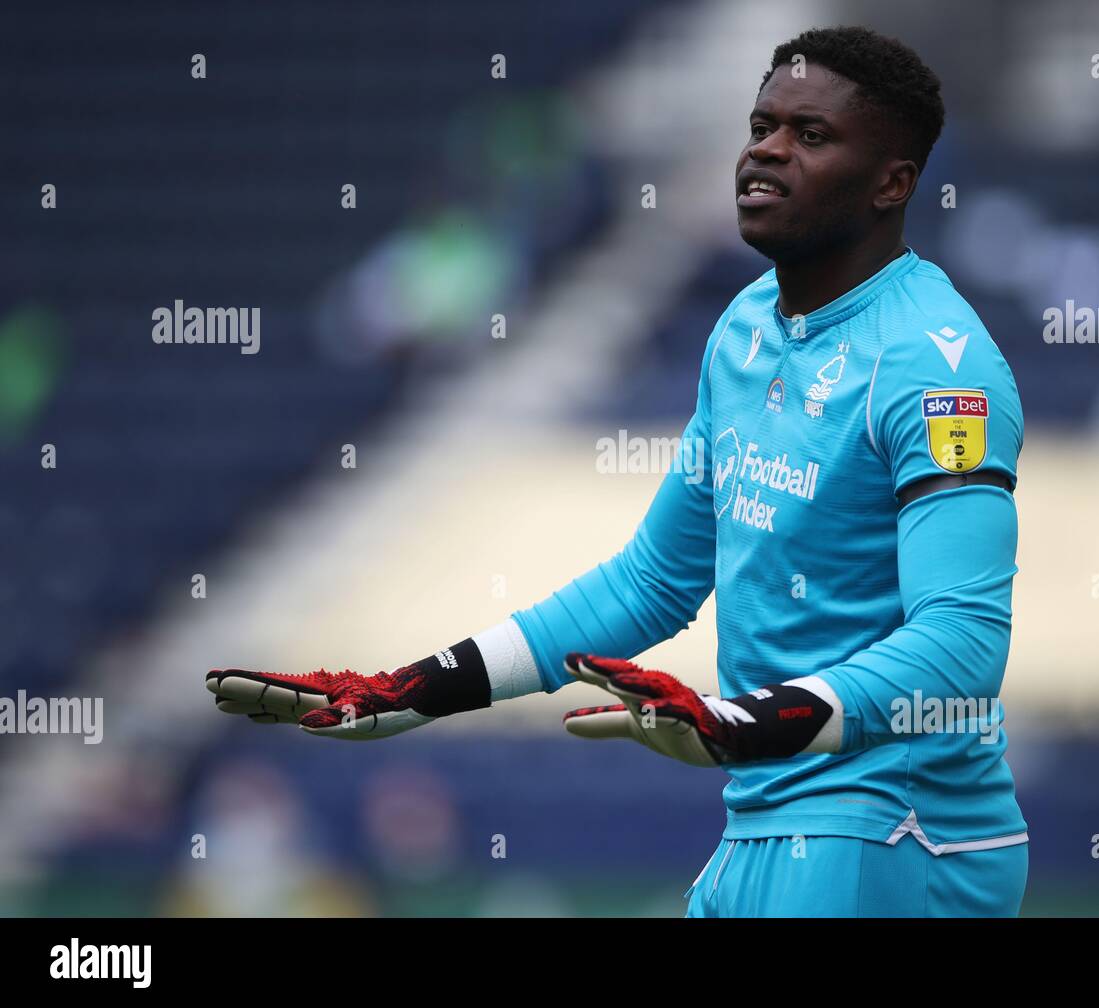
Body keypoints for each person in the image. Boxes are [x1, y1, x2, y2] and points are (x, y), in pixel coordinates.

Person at [207, 25, 1028, 918]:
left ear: (892, 183)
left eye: (812, 135)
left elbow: (963, 648)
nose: (766, 150)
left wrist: (743, 724)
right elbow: (652, 580)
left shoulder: (938, 367)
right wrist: (413, 692)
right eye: (762, 124)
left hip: (892, 829)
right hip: (765, 815)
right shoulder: (748, 327)